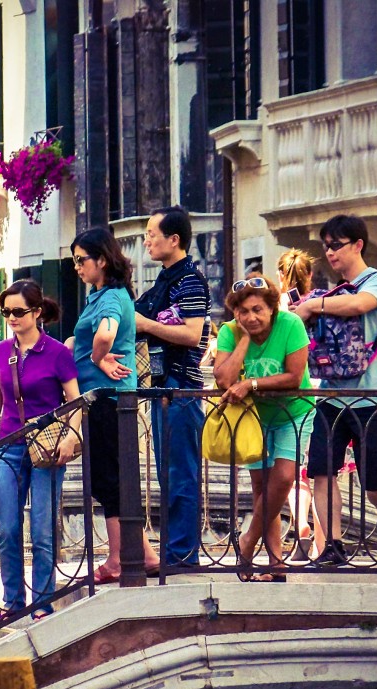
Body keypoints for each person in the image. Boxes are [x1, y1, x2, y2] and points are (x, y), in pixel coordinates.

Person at [292, 214, 377, 567]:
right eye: (326, 246)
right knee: (321, 471)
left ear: (358, 245)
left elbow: (360, 304)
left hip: (373, 397)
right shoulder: (330, 292)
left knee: (375, 480)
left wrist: (313, 305)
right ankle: (333, 545)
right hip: (330, 396)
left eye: (336, 245)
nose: (329, 252)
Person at [0, 281, 81, 619]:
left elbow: (75, 401)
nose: (12, 317)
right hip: (9, 445)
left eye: (18, 311)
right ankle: (13, 601)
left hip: (46, 448)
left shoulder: (57, 352)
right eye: (6, 311)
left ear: (36, 312)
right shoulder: (0, 351)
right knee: (7, 528)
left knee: (42, 529)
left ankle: (42, 601)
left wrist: (71, 437)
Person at [69, 228, 159, 582]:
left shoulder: (109, 297)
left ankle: (118, 559)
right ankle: (144, 554)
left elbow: (106, 334)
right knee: (113, 479)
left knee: (109, 480)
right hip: (108, 398)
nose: (77, 267)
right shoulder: (104, 295)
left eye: (81, 260)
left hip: (108, 400)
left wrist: (97, 357)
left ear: (102, 260)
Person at [215, 275, 315, 581]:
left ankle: (247, 542)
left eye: (258, 309)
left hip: (294, 411)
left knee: (282, 478)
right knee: (261, 488)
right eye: (243, 311)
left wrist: (251, 383)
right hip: (255, 417)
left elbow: (294, 377)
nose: (251, 317)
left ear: (272, 308)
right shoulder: (230, 332)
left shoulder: (291, 325)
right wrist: (244, 340)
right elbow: (223, 379)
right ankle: (276, 563)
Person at [135, 206, 211, 567]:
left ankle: (182, 555)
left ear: (174, 239)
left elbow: (193, 334)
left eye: (152, 234)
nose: (146, 241)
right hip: (164, 387)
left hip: (181, 387)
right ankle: (176, 552)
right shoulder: (164, 282)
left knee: (181, 474)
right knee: (170, 473)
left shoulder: (190, 281)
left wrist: (146, 325)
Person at [275, 249, 321, 562]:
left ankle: (301, 525)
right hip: (322, 390)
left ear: (280, 276)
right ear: (310, 275)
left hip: (292, 392)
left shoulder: (278, 307)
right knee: (324, 476)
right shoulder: (319, 302)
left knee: (296, 473)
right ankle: (323, 542)